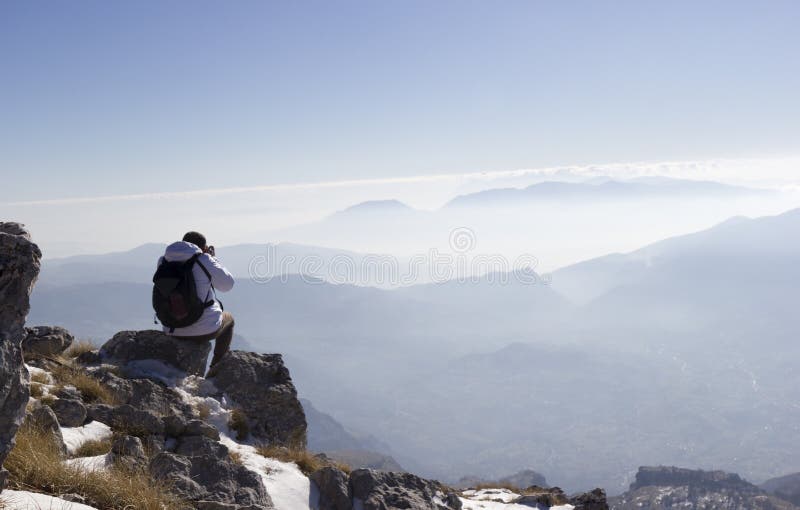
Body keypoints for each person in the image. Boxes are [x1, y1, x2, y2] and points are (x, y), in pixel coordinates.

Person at [156, 231, 235, 372]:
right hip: (205, 329)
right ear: (203, 248)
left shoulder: (163, 261)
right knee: (229, 319)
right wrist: (213, 259)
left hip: (171, 327)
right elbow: (227, 285)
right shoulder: (204, 260)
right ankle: (216, 368)